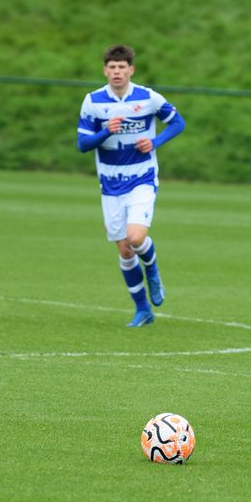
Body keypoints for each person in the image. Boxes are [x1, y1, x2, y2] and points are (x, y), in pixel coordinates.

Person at [77, 44, 185, 327]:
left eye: (121, 67)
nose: (116, 72)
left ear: (130, 70)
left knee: (136, 239)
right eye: (112, 67)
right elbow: (82, 144)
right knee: (125, 251)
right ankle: (143, 310)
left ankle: (152, 269)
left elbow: (177, 123)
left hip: (142, 177)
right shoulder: (93, 101)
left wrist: (155, 142)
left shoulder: (147, 97)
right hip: (110, 183)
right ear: (105, 70)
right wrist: (104, 131)